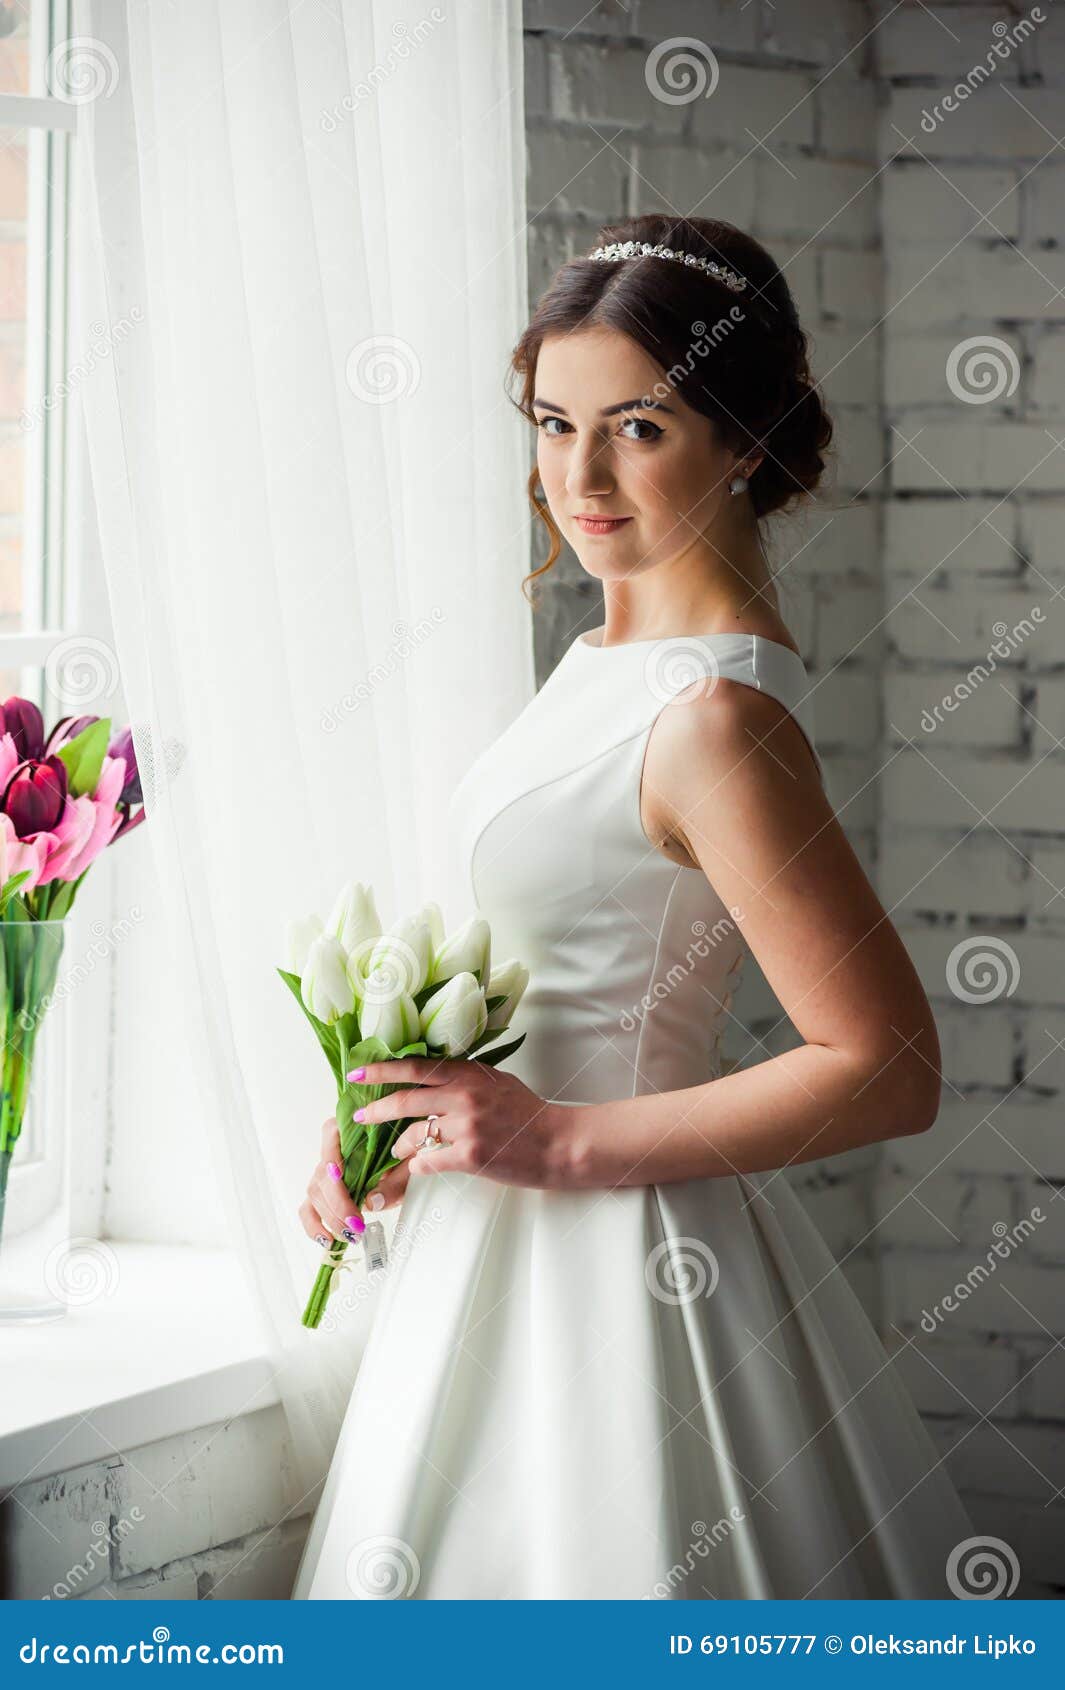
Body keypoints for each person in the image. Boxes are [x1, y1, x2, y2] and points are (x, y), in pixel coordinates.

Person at [291, 214, 975, 1600]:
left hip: (623, 1266)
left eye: (638, 430)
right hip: (498, 1237)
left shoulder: (712, 717)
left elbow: (887, 1066)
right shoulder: (610, 656)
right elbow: (555, 972)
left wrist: (556, 1138)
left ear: (745, 439)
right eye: (554, 424)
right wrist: (393, 1120)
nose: (579, 477)